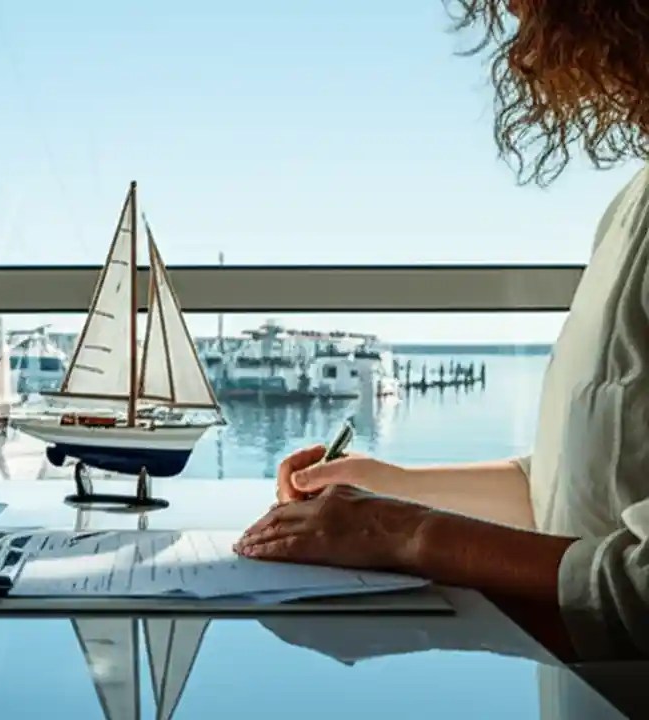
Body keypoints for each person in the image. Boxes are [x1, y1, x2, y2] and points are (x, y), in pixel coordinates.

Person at [235, 0, 649, 663]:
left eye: (537, 12)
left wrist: (401, 533)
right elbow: (582, 488)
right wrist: (389, 483)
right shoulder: (632, 205)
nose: (524, 46)